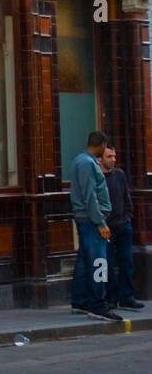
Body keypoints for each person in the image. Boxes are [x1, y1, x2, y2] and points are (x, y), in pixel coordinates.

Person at [69, 131, 121, 321]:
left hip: (87, 219)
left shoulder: (81, 160)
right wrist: (100, 223)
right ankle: (98, 304)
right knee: (99, 262)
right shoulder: (87, 163)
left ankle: (81, 300)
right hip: (92, 220)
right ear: (101, 145)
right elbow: (90, 195)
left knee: (84, 260)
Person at [101, 144, 144, 311]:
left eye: (114, 156)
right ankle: (111, 297)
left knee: (127, 261)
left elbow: (126, 197)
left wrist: (127, 217)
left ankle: (127, 296)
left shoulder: (119, 174)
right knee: (107, 263)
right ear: (100, 158)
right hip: (106, 227)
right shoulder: (98, 177)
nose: (113, 160)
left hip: (122, 225)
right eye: (109, 157)